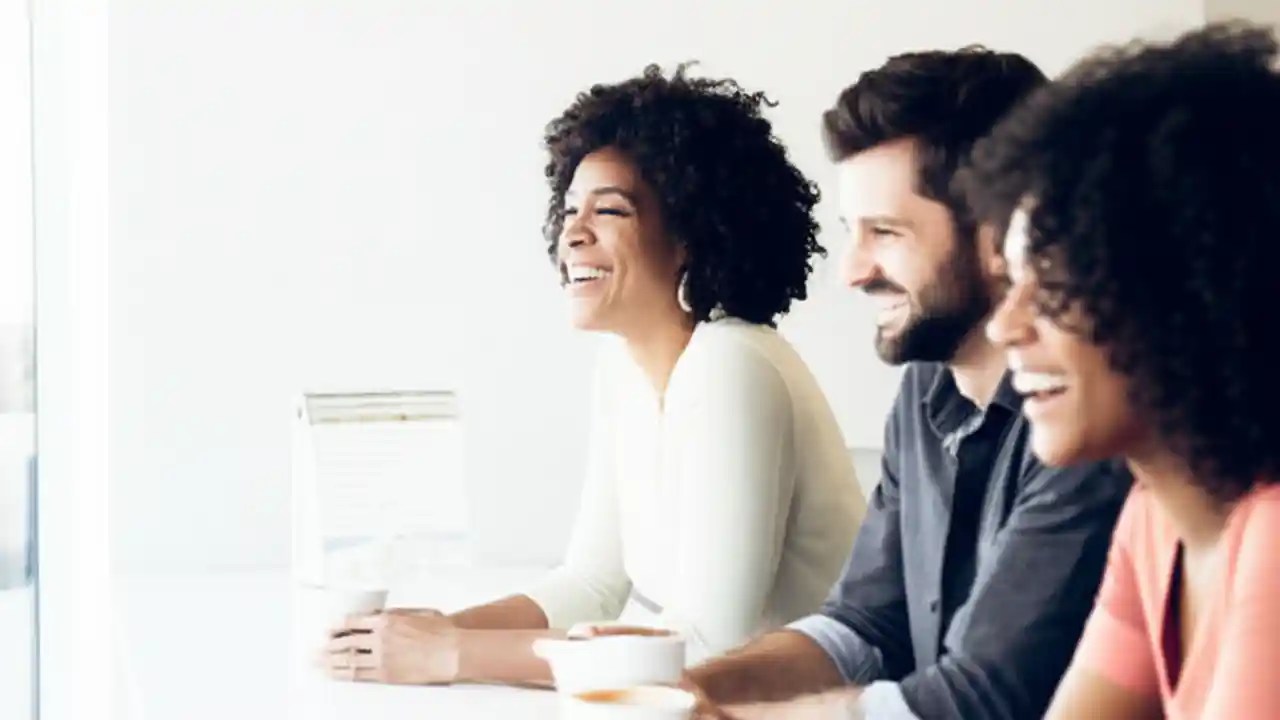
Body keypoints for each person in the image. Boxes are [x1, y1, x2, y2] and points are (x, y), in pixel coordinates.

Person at [323, 64, 866, 686]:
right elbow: (591, 584)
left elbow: (712, 648)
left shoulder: (732, 364)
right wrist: (425, 635)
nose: (572, 234)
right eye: (570, 209)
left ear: (690, 234)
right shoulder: (622, 367)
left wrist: (451, 653)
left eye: (609, 211)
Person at [687, 48, 1130, 720]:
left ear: (997, 234)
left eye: (884, 233)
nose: (853, 270)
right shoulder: (925, 391)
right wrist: (694, 691)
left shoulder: (1091, 415)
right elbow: (865, 627)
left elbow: (987, 699)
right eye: (849, 233)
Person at [969, 24, 1280, 719]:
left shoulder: (1274, 531)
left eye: (1052, 283)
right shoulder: (1154, 517)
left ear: (1193, 284)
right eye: (1011, 282)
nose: (1005, 325)